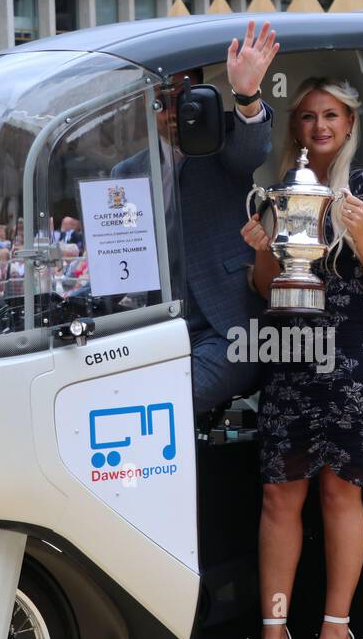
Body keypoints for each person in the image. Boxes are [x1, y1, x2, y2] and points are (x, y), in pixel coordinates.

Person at [240, 77, 363, 639]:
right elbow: (266, 286)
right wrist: (262, 249)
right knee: (279, 495)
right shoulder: (281, 191)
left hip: (356, 358)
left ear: (350, 122)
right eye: (308, 116)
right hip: (290, 354)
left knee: (341, 491)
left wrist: (359, 231)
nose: (319, 127)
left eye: (330, 116)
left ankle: (338, 630)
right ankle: (275, 633)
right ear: (295, 126)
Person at [112, 20, 279, 413]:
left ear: (202, 98)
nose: (173, 111)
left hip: (230, 329)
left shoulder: (223, 143)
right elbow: (122, 255)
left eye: (184, 99)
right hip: (155, 326)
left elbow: (253, 149)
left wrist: (247, 93)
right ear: (148, 102)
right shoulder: (127, 173)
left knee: (166, 401)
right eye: (162, 99)